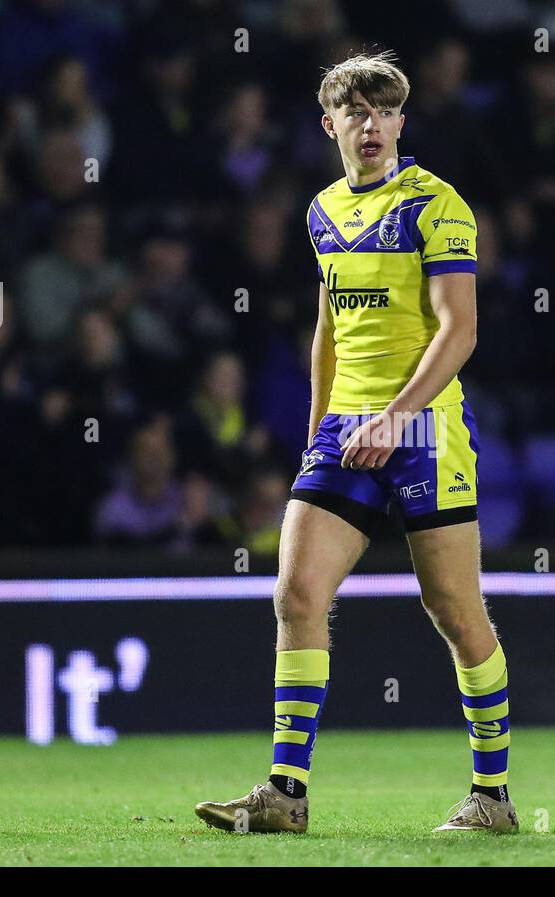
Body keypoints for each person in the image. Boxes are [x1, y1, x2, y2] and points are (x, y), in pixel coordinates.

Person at [194, 51, 516, 834]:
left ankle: (493, 796)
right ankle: (285, 793)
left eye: (385, 111)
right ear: (329, 124)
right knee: (296, 594)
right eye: (356, 112)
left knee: (454, 611)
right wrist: (317, 435)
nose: (371, 125)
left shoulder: (437, 207)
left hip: (426, 430)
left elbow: (460, 327)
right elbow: (329, 329)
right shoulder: (322, 213)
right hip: (346, 429)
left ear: (402, 122)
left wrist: (400, 413)